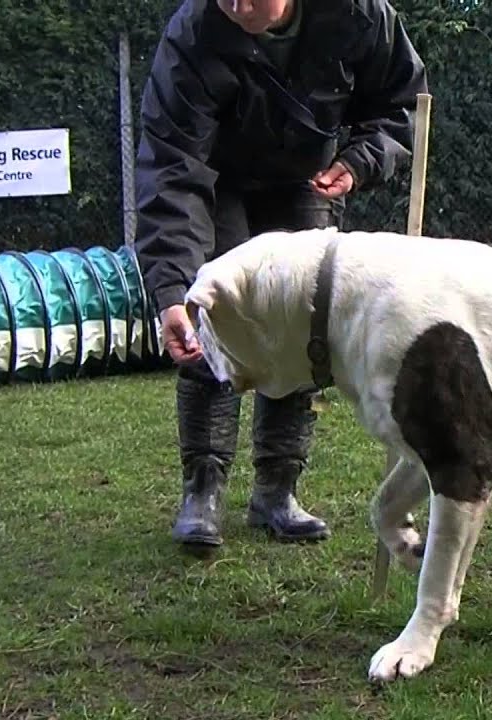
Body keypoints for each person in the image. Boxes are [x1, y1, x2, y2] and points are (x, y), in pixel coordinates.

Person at [132, 0, 428, 550]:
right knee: (211, 313)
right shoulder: (192, 36)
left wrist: (360, 160)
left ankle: (277, 490)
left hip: (305, 181)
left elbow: (402, 104)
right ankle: (203, 490)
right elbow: (172, 170)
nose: (240, 5)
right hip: (214, 183)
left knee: (304, 323)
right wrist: (175, 291)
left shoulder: (359, 14)